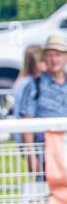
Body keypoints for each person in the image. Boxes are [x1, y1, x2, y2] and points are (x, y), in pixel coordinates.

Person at [18, 34, 67, 175]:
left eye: (58, 54)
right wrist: (31, 156)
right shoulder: (34, 85)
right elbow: (26, 122)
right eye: (50, 55)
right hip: (46, 153)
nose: (54, 59)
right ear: (45, 58)